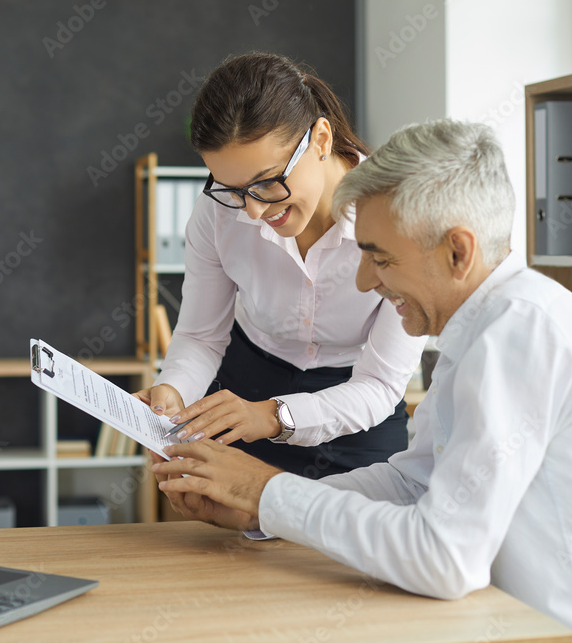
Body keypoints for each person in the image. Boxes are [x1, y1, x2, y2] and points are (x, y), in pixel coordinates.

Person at [150, 119, 572, 642]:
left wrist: (263, 490)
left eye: (380, 258)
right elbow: (412, 483)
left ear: (457, 251)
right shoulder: (480, 329)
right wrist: (257, 512)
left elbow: (445, 559)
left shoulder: (521, 332)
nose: (366, 281)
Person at [134, 52, 426, 478]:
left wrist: (274, 417)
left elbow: (380, 386)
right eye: (232, 189)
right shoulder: (217, 213)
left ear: (321, 140)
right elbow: (200, 335)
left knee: (354, 535)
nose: (251, 211)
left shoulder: (396, 216)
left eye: (268, 181)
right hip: (243, 390)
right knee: (229, 533)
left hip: (357, 403)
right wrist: (173, 391)